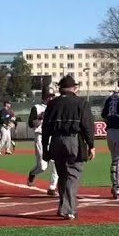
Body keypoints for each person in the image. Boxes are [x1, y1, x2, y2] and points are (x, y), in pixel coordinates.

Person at [40, 75, 96, 220]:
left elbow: (45, 128)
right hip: (73, 140)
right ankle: (68, 209)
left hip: (56, 140)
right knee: (73, 174)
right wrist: (91, 145)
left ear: (60, 88)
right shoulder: (81, 102)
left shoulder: (52, 104)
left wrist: (45, 148)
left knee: (62, 174)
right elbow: (87, 126)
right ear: (74, 88)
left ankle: (63, 207)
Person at [26, 88, 60, 196]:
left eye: (52, 96)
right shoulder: (37, 108)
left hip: (53, 136)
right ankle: (32, 173)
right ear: (44, 97)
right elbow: (31, 123)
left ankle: (52, 187)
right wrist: (39, 117)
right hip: (40, 136)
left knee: (56, 163)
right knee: (42, 166)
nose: (51, 98)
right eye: (49, 96)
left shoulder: (55, 107)